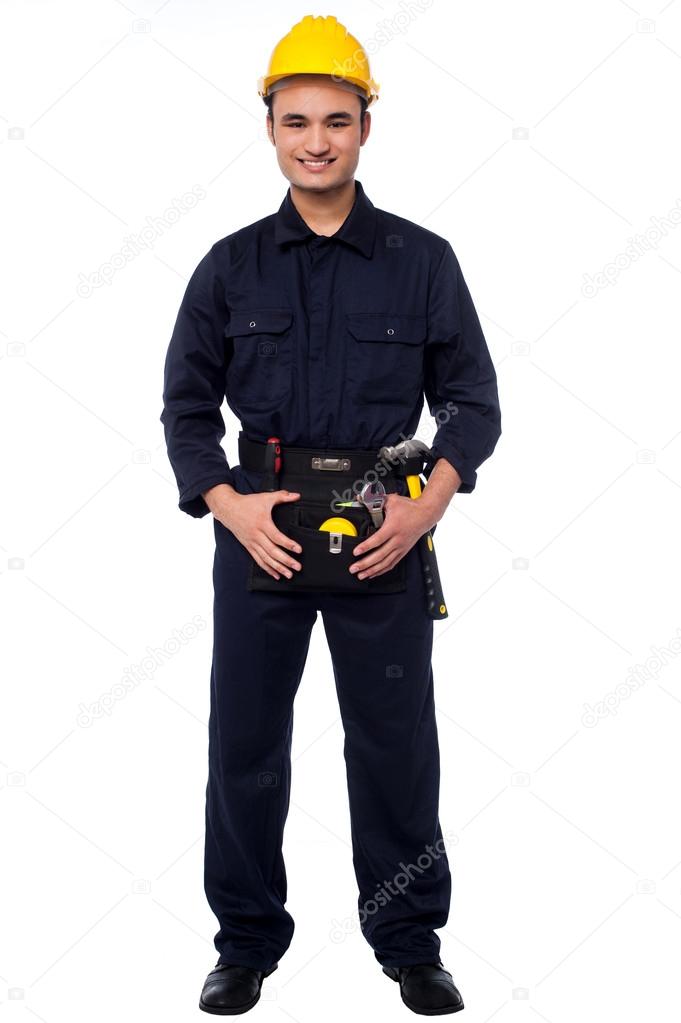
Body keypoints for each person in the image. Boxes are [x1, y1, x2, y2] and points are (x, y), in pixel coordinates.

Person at [160, 13, 501, 1016]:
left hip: (381, 531)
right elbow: (186, 406)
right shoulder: (230, 265)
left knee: (395, 744)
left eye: (337, 120)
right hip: (258, 535)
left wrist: (426, 503)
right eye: (297, 119)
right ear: (270, 128)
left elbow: (472, 401)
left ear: (365, 129)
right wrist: (226, 504)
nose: (317, 139)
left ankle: (409, 942)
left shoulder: (422, 260)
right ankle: (247, 943)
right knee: (245, 744)